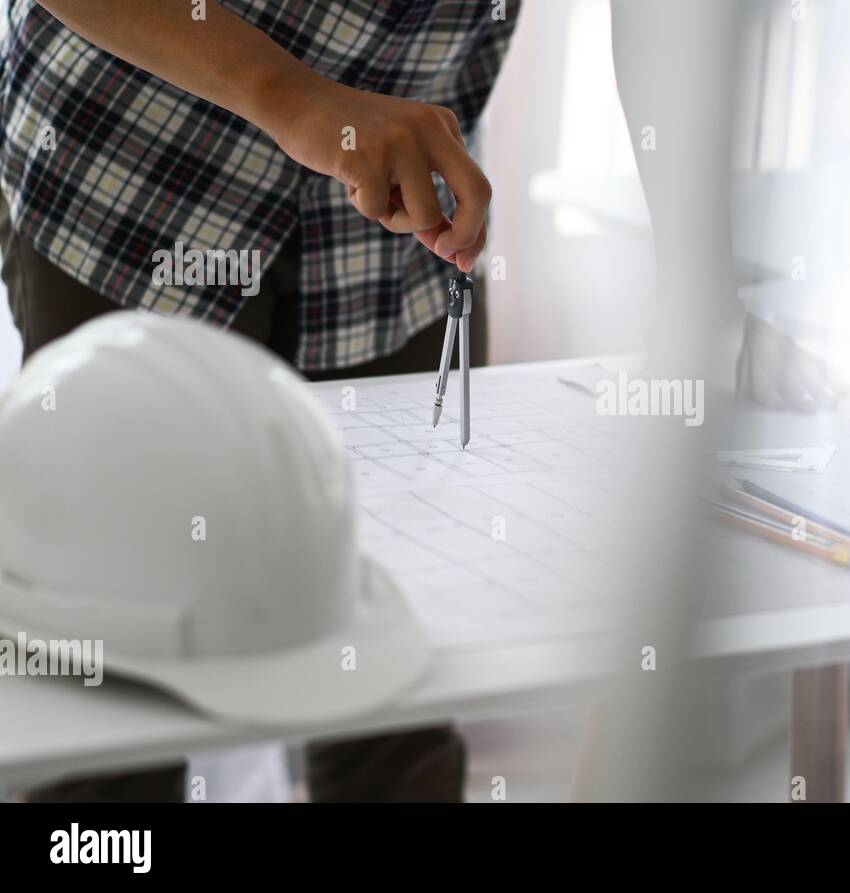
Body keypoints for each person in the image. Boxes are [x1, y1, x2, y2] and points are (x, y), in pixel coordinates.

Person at [1, 0, 521, 802]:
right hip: (132, 177)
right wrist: (292, 95)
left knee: (397, 695)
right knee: (111, 711)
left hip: (398, 234)